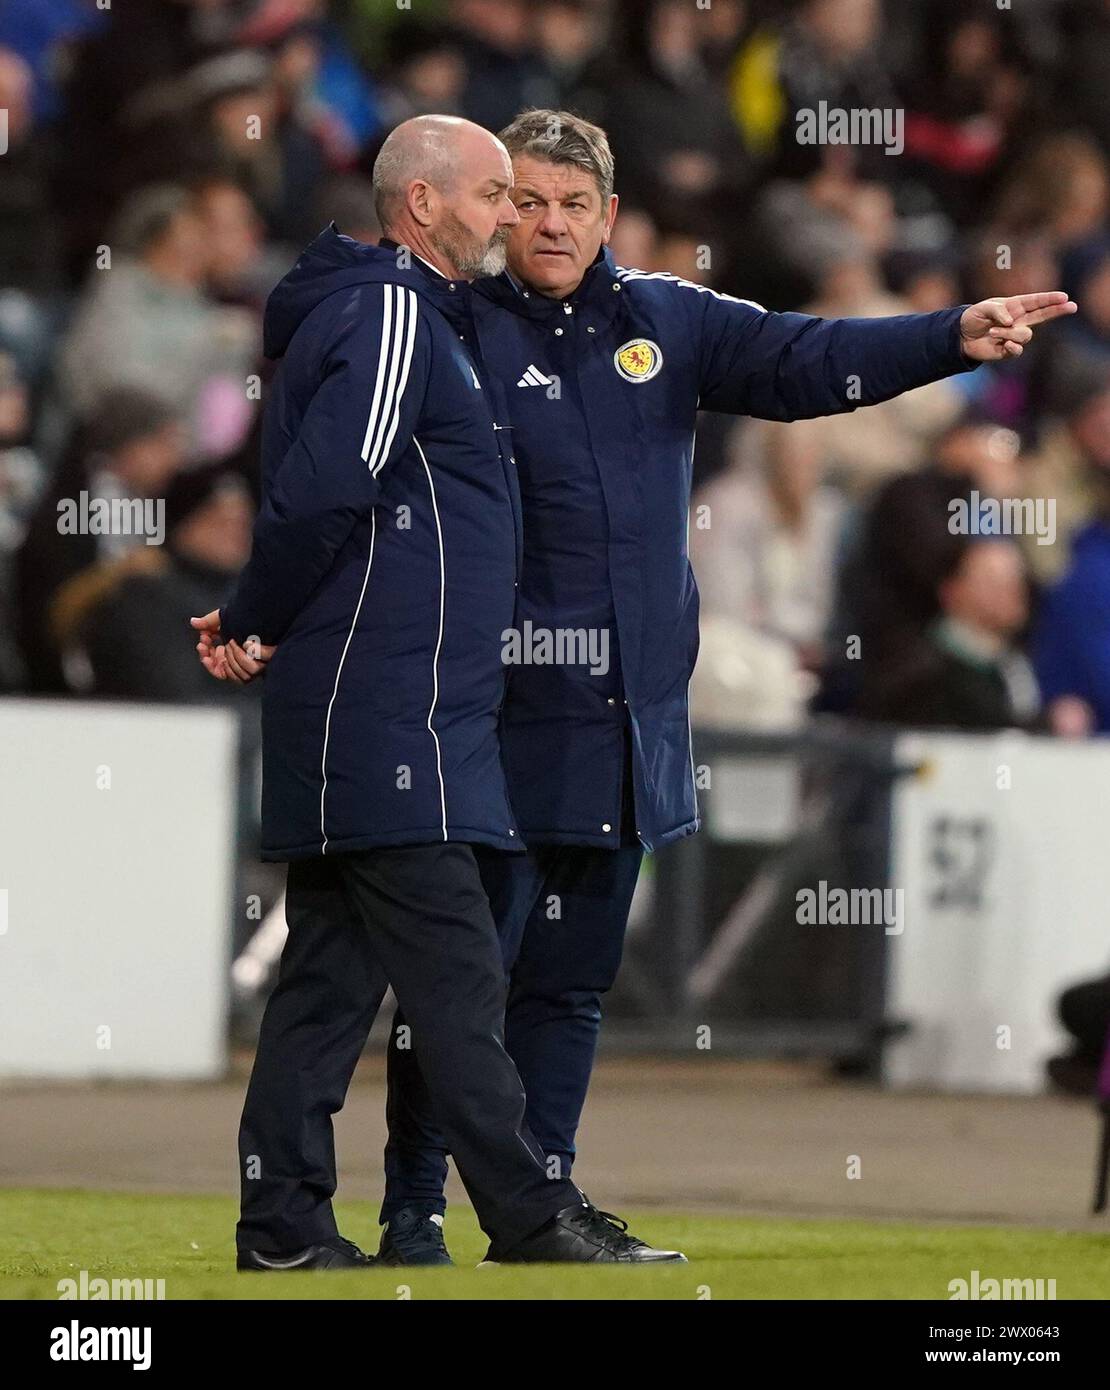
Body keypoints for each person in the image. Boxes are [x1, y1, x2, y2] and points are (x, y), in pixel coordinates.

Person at [372, 108, 1077, 1264]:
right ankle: (413, 1210)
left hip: (623, 723)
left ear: (611, 215)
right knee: (460, 990)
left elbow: (810, 360)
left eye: (574, 203)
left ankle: (539, 1210)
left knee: (568, 988)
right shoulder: (441, 321)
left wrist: (953, 331)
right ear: (495, 209)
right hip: (482, 717)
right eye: (528, 200)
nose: (551, 223)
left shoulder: (667, 320)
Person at [194, 114, 684, 1269]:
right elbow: (328, 488)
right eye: (494, 193)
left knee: (323, 986)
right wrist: (259, 613)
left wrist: (259, 611)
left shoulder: (395, 314)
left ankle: (281, 1227)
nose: (514, 214)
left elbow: (320, 495)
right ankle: (531, 1213)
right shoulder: (399, 310)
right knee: (464, 983)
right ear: (421, 205)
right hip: (393, 712)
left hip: (370, 706)